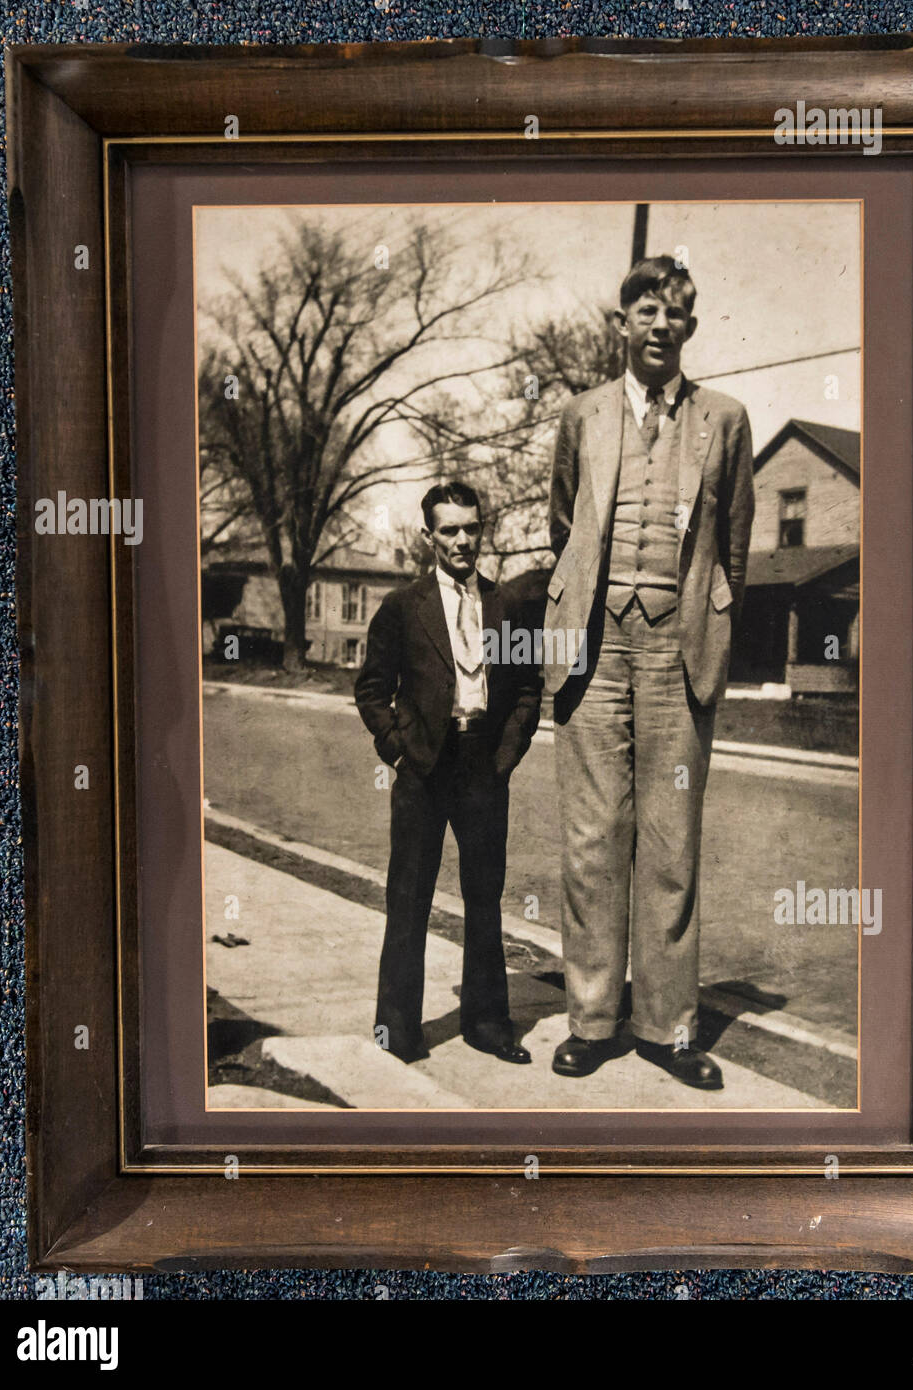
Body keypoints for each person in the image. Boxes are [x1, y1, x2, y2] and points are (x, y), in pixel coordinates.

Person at [543, 255, 755, 1090]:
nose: (662, 323)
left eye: (677, 312)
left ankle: (669, 1029)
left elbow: (733, 542)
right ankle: (592, 1022)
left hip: (678, 651)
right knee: (593, 844)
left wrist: (709, 613)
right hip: (594, 652)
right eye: (647, 308)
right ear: (622, 321)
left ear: (690, 329)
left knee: (670, 847)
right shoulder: (581, 414)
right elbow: (566, 521)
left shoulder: (726, 420)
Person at [355, 481, 542, 1066]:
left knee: (484, 897)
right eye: (450, 530)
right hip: (424, 769)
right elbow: (371, 689)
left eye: (471, 528)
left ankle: (487, 1022)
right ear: (428, 536)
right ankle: (398, 1029)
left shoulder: (505, 604)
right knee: (408, 896)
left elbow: (528, 688)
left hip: (483, 765)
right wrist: (400, 750)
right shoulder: (402, 607)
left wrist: (507, 755)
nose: (463, 540)